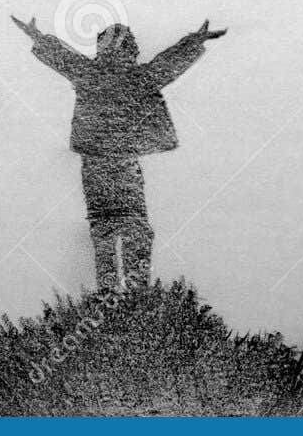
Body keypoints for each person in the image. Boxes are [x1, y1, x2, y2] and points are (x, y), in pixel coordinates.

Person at [12, 15, 226, 292]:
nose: (133, 51)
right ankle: (134, 292)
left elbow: (61, 58)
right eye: (129, 46)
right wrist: (194, 40)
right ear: (127, 50)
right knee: (132, 229)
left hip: (96, 165)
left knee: (106, 230)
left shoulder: (91, 74)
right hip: (122, 164)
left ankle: (110, 293)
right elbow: (168, 65)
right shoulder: (137, 78)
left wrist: (37, 37)